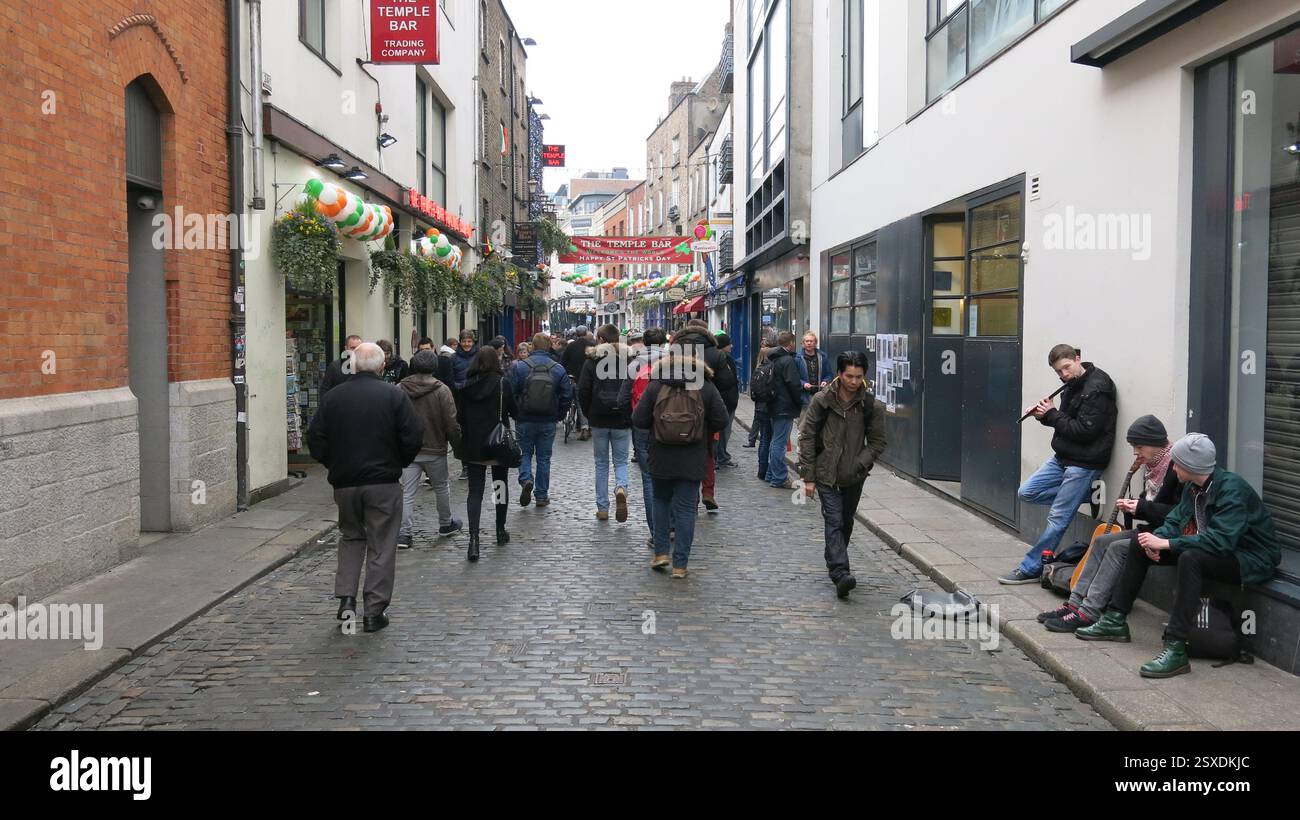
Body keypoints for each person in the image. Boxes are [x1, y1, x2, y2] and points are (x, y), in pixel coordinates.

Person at [1076, 434, 1280, 678]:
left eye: (1177, 463)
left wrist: (1167, 543)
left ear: (1191, 466)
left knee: (1190, 558)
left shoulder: (1232, 490)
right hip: (1215, 548)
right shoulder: (1193, 487)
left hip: (1249, 558)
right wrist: (1157, 540)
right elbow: (1175, 520)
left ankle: (1176, 648)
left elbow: (1221, 542)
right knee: (1140, 543)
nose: (1173, 468)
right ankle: (1115, 619)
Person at [306, 343, 423, 634]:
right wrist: (399, 460)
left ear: (353, 365)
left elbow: (315, 438)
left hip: (345, 482)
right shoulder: (394, 395)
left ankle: (347, 599)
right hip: (382, 481)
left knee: (350, 538)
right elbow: (413, 435)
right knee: (382, 544)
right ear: (382, 367)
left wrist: (332, 462)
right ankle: (374, 611)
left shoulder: (333, 398)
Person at [1039, 415, 1182, 632]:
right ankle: (1074, 604)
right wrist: (1137, 505)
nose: (1135, 452)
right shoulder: (1154, 465)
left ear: (1154, 443)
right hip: (1154, 530)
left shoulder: (1175, 467)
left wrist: (1140, 507)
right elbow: (1156, 506)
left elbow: (1179, 514)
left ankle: (1088, 613)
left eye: (1139, 446)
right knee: (1101, 541)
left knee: (1116, 548)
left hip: (1169, 536)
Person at [999, 344, 1117, 584]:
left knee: (1058, 516)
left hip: (1085, 461)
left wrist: (1052, 415)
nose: (1063, 374)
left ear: (1078, 358)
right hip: (1063, 456)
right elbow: (1065, 423)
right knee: (1027, 492)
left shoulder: (1099, 388)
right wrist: (1043, 415)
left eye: (1066, 368)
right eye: (1059, 372)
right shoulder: (1072, 385)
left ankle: (1030, 567)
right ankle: (1086, 494)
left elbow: (1084, 431)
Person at [631, 342, 729, 578]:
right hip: (692, 456)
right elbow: (722, 419)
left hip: (661, 455)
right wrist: (701, 432)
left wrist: (659, 427)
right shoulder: (705, 385)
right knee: (685, 509)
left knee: (661, 502)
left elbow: (639, 418)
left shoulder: (656, 384)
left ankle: (661, 552)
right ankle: (680, 564)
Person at [799, 351, 887, 598]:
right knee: (834, 520)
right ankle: (840, 572)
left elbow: (878, 442)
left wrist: (861, 463)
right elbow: (806, 436)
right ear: (839, 374)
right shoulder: (822, 400)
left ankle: (835, 559)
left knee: (846, 522)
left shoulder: (871, 406)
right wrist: (808, 476)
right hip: (826, 473)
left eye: (858, 377)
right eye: (849, 376)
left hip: (853, 475)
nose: (853, 381)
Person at [453, 347, 518, 561]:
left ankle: (473, 541)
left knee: (475, 492)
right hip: (497, 443)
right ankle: (500, 530)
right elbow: (514, 411)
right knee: (499, 486)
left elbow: (460, 417)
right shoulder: (502, 384)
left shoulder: (466, 386)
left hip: (473, 444)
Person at [397, 350, 463, 549]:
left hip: (408, 449)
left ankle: (403, 534)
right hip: (434, 447)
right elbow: (451, 422)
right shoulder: (442, 390)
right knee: (441, 487)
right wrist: (457, 445)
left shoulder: (400, 388)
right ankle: (445, 523)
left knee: (407, 492)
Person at [508, 333, 574, 508]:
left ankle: (525, 479)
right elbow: (567, 395)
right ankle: (542, 496)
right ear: (548, 347)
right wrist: (559, 414)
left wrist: (516, 412)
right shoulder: (558, 368)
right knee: (544, 458)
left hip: (525, 419)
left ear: (533, 347)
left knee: (525, 453)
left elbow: (510, 391)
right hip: (547, 419)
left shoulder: (520, 367)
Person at [672, 319, 732, 509]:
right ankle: (707, 491)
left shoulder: (676, 350)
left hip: (679, 408)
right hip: (706, 409)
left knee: (681, 454)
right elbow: (727, 383)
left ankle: (691, 498)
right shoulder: (716, 353)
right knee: (707, 453)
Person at [579, 324, 632, 522]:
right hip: (622, 418)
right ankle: (621, 487)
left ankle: (602, 508)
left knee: (601, 464)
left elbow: (583, 391)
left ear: (600, 339)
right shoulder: (629, 360)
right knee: (621, 461)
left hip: (599, 418)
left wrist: (588, 414)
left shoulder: (592, 361)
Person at [622, 327, 669, 549]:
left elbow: (622, 397)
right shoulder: (675, 362)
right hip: (671, 425)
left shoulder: (634, 364)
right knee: (672, 477)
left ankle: (656, 533)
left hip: (642, 426)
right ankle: (672, 526)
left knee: (649, 479)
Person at [763, 331, 806, 490]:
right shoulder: (787, 360)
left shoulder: (773, 357)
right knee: (779, 443)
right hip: (784, 406)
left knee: (775, 441)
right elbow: (794, 385)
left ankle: (770, 474)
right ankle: (779, 478)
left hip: (774, 405)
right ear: (791, 343)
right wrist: (799, 401)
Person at [450, 330, 479, 479]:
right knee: (462, 433)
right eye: (464, 341)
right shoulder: (453, 358)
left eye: (469, 341)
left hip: (477, 399)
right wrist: (460, 386)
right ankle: (465, 465)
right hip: (460, 400)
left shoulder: (479, 356)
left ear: (473, 342)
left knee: (476, 432)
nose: (466, 344)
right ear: (460, 342)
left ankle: (477, 461)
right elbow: (451, 379)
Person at [561, 325, 595, 440]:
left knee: (576, 402)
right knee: (586, 403)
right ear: (586, 333)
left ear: (576, 334)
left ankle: (580, 425)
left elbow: (563, 362)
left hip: (574, 379)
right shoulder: (592, 346)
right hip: (589, 380)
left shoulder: (571, 346)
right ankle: (588, 427)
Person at [713, 332, 740, 468]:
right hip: (726, 401)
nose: (732, 346)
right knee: (723, 431)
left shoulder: (725, 358)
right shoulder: (724, 359)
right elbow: (727, 381)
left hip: (726, 400)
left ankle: (721, 455)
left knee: (723, 432)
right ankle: (720, 456)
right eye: (729, 344)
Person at [746, 331, 777, 448]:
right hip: (765, 399)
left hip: (761, 398)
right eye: (761, 344)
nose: (762, 345)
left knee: (760, 424)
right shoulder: (769, 361)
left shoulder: (763, 360)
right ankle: (752, 439)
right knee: (765, 431)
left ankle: (752, 439)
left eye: (764, 344)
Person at [796, 331, 833, 414]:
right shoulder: (797, 358)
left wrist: (825, 381)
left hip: (821, 395)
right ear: (803, 343)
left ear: (815, 343)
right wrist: (803, 384)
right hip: (805, 396)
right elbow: (795, 377)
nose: (809, 343)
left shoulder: (823, 356)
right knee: (805, 423)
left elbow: (829, 374)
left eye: (811, 341)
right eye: (807, 341)